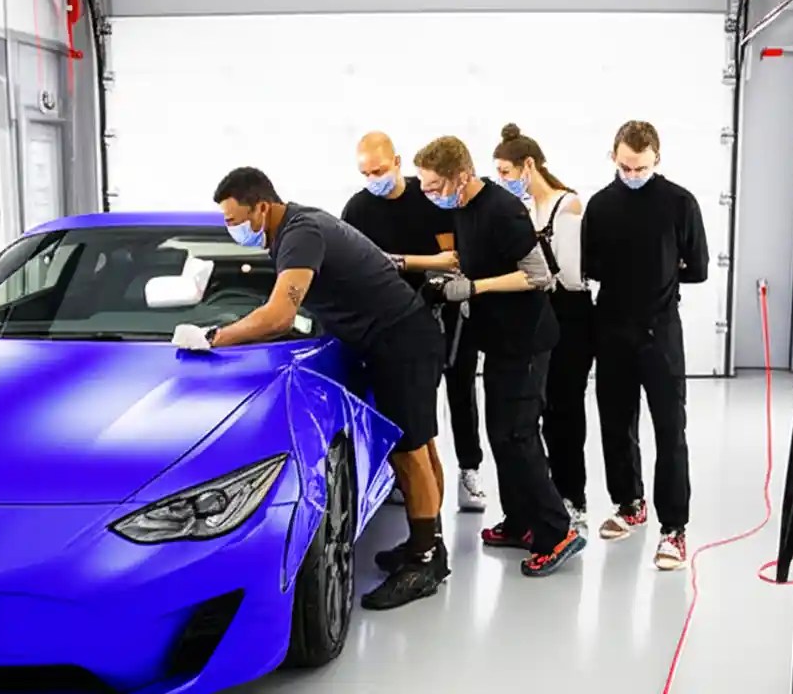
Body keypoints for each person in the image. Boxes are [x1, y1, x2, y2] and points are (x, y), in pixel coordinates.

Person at [174, 166, 448, 610]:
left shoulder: (300, 233)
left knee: (409, 449)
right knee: (420, 444)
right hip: (402, 334)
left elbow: (280, 315)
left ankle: (424, 561)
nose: (232, 229)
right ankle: (428, 543)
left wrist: (213, 337)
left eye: (233, 219)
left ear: (261, 206)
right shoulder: (296, 229)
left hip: (399, 341)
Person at [413, 135, 586, 577]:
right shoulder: (464, 209)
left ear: (462, 176)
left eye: (434, 187)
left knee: (519, 435)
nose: (428, 195)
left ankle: (556, 531)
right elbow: (470, 257)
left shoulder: (501, 210)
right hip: (500, 341)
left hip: (526, 340)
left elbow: (538, 276)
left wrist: (475, 288)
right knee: (499, 434)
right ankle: (520, 521)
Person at [581, 120, 709, 571]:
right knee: (616, 423)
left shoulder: (679, 202)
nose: (632, 173)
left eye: (640, 166)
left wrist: (660, 272)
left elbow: (698, 269)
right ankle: (629, 503)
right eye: (624, 166)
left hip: (660, 331)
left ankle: (674, 529)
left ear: (657, 159)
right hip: (612, 327)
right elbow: (590, 264)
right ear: (613, 158)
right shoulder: (599, 204)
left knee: (670, 430)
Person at [340, 131, 488, 514]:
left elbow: (452, 258)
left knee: (459, 392)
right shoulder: (357, 209)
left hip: (441, 309)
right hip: (389, 321)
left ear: (398, 163)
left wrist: (398, 261)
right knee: (404, 403)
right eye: (366, 173)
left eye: (380, 170)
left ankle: (470, 469)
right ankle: (401, 475)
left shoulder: (430, 200)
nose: (374, 179)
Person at [492, 123, 593, 528]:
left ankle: (573, 497)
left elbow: (568, 275)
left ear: (527, 166)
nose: (501, 180)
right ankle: (542, 499)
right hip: (535, 316)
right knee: (534, 412)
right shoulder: (520, 209)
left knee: (563, 410)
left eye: (505, 172)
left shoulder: (566, 205)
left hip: (569, 316)